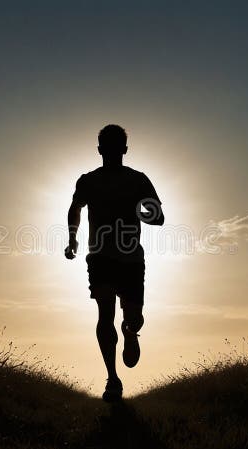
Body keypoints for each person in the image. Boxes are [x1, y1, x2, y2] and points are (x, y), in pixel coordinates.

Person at [64, 124, 165, 402]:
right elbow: (75, 208)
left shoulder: (139, 180)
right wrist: (72, 238)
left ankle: (130, 330)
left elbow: (159, 216)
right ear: (100, 150)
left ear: (124, 150)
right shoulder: (88, 180)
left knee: (133, 317)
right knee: (104, 311)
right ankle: (112, 378)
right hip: (100, 256)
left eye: (114, 146)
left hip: (131, 259)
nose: (110, 151)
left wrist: (142, 213)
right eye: (106, 147)